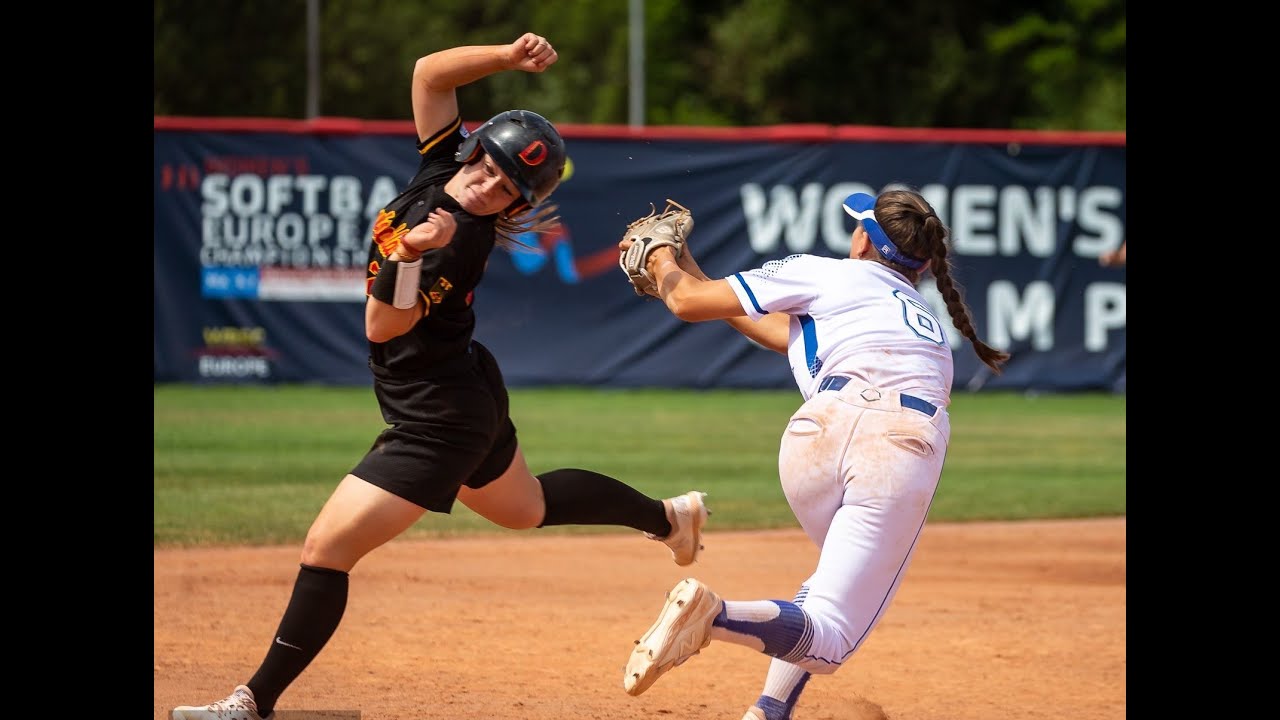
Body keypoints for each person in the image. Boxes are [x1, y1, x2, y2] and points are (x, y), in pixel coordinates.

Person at [172, 33, 710, 720]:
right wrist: (507, 59)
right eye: (489, 164)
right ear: (474, 146)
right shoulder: (440, 169)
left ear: (517, 205)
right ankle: (668, 519)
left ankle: (251, 703)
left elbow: (382, 328)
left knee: (326, 549)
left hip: (438, 416)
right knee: (528, 508)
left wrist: (409, 257)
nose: (487, 183)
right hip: (461, 384)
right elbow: (428, 73)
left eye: (507, 188)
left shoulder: (458, 240)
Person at [617, 188, 1009, 720]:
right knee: (829, 640)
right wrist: (680, 263)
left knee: (827, 586)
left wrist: (663, 256)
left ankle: (769, 710)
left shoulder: (825, 273)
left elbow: (705, 308)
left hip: (812, 437)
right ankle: (713, 616)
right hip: (896, 448)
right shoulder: (925, 321)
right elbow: (709, 303)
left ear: (864, 240)